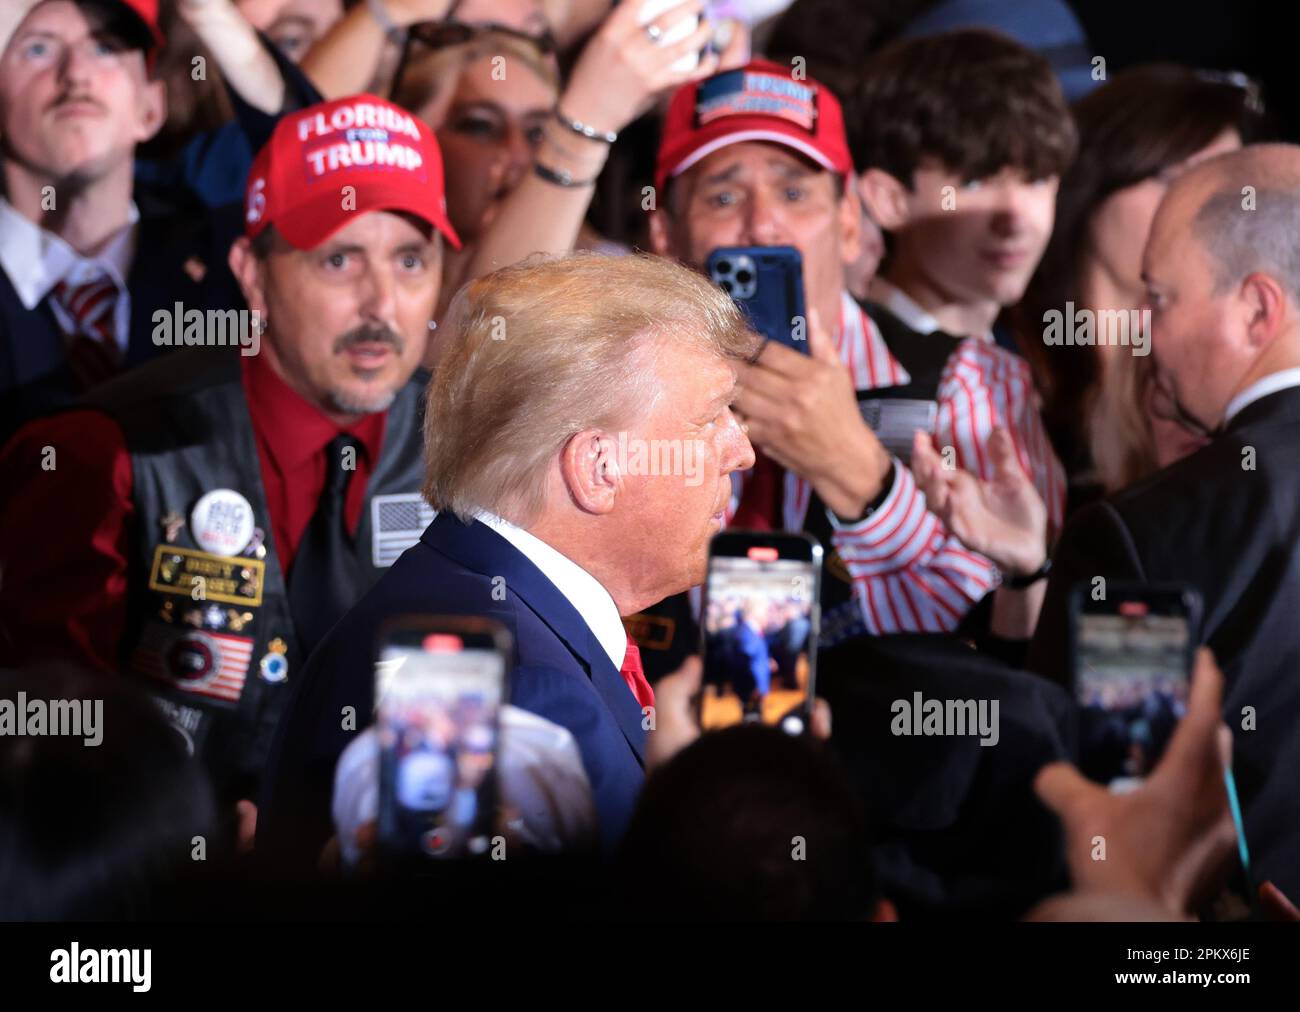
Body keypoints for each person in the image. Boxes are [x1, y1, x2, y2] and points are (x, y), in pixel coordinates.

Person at [0, 94, 458, 825]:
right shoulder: (111, 452)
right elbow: (39, 748)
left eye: (411, 260)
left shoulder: (471, 444)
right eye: (339, 259)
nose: (383, 303)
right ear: (251, 274)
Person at [258, 252, 757, 864]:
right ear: (598, 468)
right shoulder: (526, 696)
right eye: (710, 419)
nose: (743, 450)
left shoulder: (450, 597)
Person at [647, 59, 1063, 649]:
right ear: (666, 236)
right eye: (723, 196)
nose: (763, 225)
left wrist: (861, 477)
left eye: (795, 191)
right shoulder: (626, 397)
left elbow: (1006, 651)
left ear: (848, 221)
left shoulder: (971, 383)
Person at [1028, 143, 1300, 900]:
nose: (1143, 332)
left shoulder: (1144, 535)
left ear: (1257, 309)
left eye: (1159, 298)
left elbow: (1108, 832)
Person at [1011, 65, 1263, 512]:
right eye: (1177, 181)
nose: (1203, 212)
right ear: (1096, 183)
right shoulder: (1005, 363)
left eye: (1225, 191)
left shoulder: (1234, 373)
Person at [0, 0, 227, 438]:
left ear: (151, 108)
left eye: (105, 48)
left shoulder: (224, 264)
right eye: (38, 49)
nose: (77, 74)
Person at [847, 29, 1076, 355]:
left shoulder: (1028, 369)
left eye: (1036, 180)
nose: (1015, 218)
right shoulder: (842, 368)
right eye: (974, 182)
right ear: (888, 200)